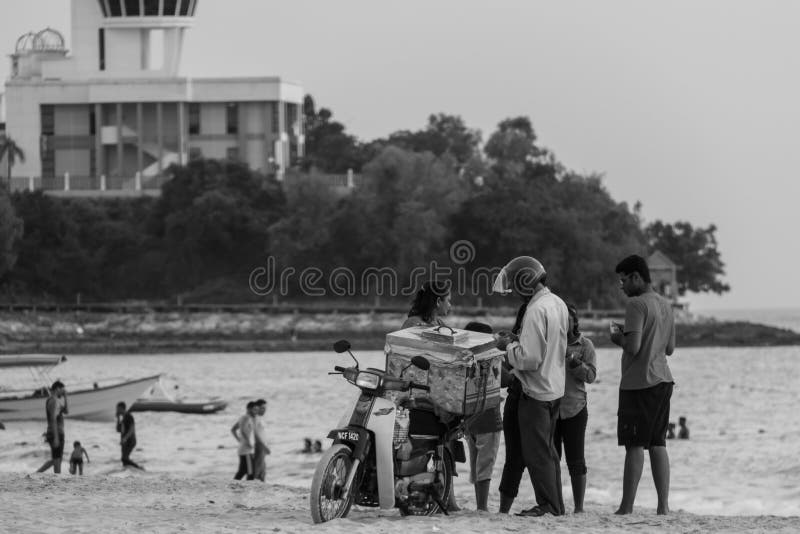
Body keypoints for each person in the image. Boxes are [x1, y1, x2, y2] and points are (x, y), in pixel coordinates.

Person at [494, 256, 568, 517]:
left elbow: (530, 359)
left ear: (526, 282)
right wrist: (518, 339)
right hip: (554, 388)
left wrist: (507, 346)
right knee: (549, 452)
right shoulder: (557, 303)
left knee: (537, 454)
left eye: (516, 286)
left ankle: (548, 505)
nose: (515, 292)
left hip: (535, 391)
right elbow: (550, 346)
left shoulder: (536, 310)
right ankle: (556, 505)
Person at [611, 254, 676, 515]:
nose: (622, 287)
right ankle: (663, 507)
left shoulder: (636, 304)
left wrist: (618, 337)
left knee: (634, 444)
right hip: (663, 379)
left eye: (624, 281)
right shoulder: (666, 304)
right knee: (658, 443)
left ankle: (626, 507)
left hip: (639, 383)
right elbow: (670, 348)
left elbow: (634, 347)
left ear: (636, 277)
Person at [401, 280, 460, 512]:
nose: (451, 305)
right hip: (418, 393)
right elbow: (407, 358)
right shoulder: (413, 324)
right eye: (448, 300)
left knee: (446, 444)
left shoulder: (440, 324)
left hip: (436, 393)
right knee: (421, 446)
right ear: (438, 302)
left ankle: (447, 497)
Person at [554, 304, 597, 513]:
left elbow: (591, 376)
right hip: (551, 408)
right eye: (561, 319)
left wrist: (576, 365)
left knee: (576, 460)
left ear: (575, 321)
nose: (564, 323)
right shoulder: (552, 343)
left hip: (575, 407)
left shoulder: (585, 345)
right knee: (552, 459)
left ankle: (579, 507)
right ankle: (556, 504)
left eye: (568, 319)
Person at [462, 321, 503, 512]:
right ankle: (482, 506)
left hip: (469, 418)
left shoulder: (464, 360)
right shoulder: (491, 359)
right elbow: (505, 379)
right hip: (489, 418)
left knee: (475, 463)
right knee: (485, 464)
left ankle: (480, 505)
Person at [36, 380, 68, 474]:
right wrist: (56, 438)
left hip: (58, 432)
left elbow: (66, 411)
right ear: (57, 389)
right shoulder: (53, 401)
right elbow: (53, 419)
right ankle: (37, 473)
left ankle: (37, 473)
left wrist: (66, 397)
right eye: (62, 390)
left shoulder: (55, 400)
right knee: (57, 461)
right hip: (55, 433)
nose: (63, 392)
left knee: (57, 459)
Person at [231, 401, 256, 480]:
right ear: (249, 409)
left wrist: (239, 440)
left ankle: (232, 484)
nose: (256, 411)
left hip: (243, 448)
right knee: (251, 472)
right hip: (246, 450)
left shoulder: (243, 418)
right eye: (254, 409)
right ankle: (247, 486)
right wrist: (248, 442)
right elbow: (242, 430)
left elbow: (233, 429)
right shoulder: (246, 417)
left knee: (242, 471)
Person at [116, 401, 144, 470]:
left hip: (130, 441)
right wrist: (118, 419)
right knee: (124, 460)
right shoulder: (123, 418)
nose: (117, 411)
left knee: (124, 458)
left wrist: (125, 438)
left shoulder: (129, 416)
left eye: (118, 409)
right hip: (124, 442)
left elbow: (132, 429)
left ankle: (138, 468)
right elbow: (118, 430)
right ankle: (128, 471)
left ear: (121, 408)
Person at [252, 399, 271, 482]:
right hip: (259, 446)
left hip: (262, 446)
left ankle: (263, 484)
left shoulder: (260, 418)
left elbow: (262, 433)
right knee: (257, 468)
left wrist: (266, 445)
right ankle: (253, 484)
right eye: (262, 408)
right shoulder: (255, 418)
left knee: (263, 470)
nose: (264, 410)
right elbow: (255, 434)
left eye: (265, 408)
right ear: (257, 408)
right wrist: (264, 446)